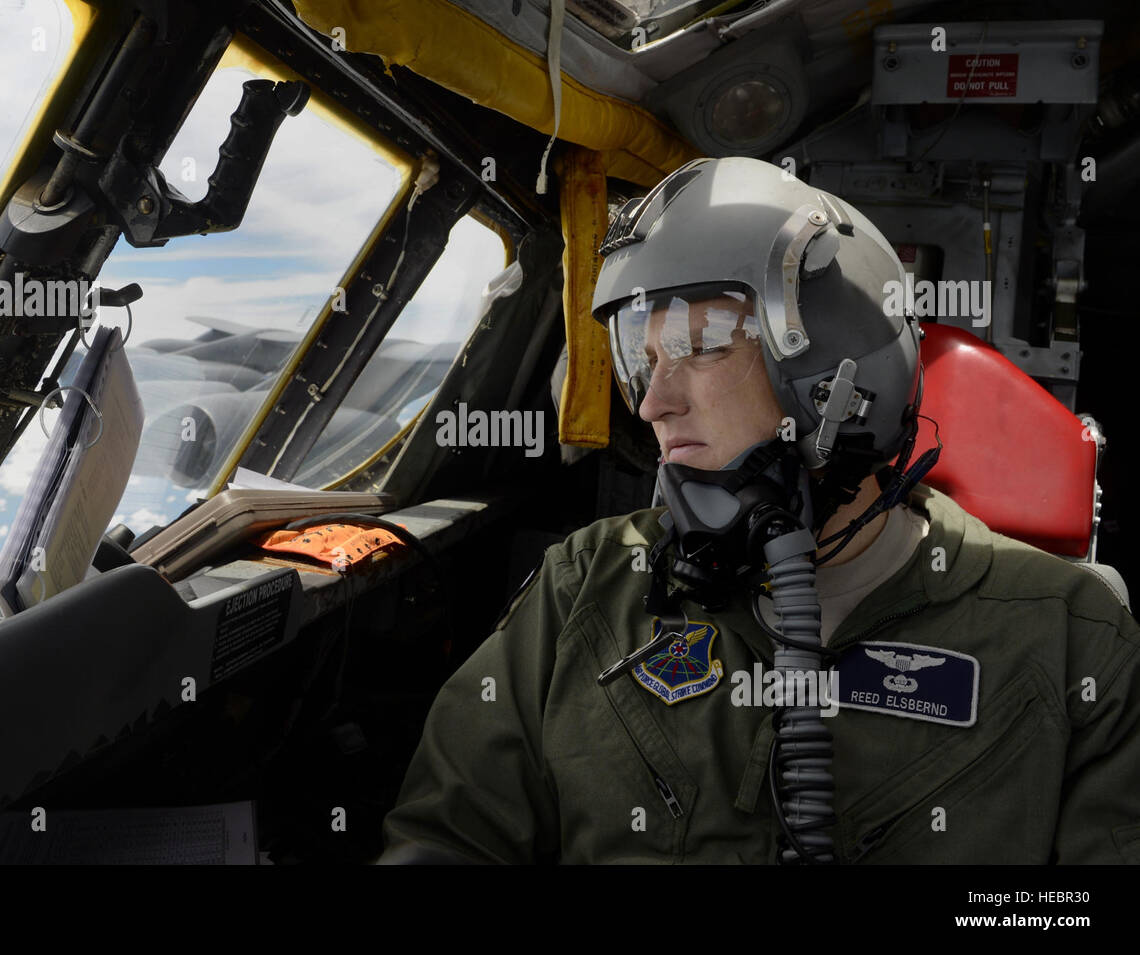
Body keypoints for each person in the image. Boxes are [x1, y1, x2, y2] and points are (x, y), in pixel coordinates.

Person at [380, 157, 1140, 864]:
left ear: (840, 371)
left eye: (700, 346)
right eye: (644, 358)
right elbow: (443, 841)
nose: (653, 401)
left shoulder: (1073, 637)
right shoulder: (584, 586)